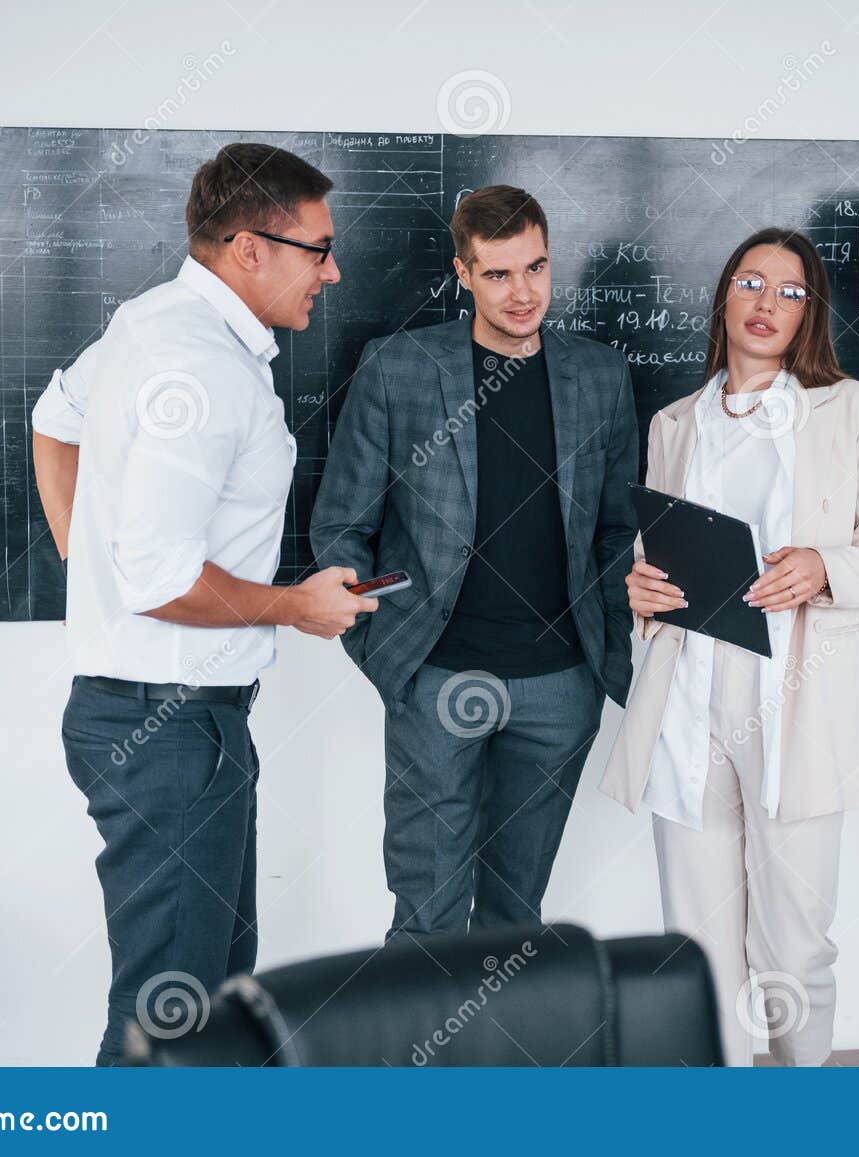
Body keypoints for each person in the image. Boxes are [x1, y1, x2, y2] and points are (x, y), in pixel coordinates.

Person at [30, 143, 375, 1065]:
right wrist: (293, 607)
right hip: (169, 731)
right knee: (167, 1020)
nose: (332, 271)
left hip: (174, 724)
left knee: (214, 1001)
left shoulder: (153, 320)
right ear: (247, 247)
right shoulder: (198, 367)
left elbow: (51, 418)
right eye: (317, 249)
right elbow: (161, 579)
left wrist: (84, 558)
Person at [600, 227, 859, 1066]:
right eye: (750, 282)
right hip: (690, 696)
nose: (767, 303)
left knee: (795, 940)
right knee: (699, 948)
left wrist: (822, 565)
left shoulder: (855, 409)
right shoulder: (674, 422)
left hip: (799, 700)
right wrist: (638, 590)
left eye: (790, 290)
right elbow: (657, 553)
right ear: (723, 298)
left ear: (809, 311)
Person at [309, 185, 638, 939]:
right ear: (463, 273)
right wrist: (385, 655)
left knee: (515, 919)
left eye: (536, 268)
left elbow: (618, 529)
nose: (522, 293)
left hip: (561, 684)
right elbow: (342, 524)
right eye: (497, 274)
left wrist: (610, 659)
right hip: (437, 679)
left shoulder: (599, 374)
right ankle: (422, 1059)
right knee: (427, 915)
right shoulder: (397, 369)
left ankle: (498, 1059)